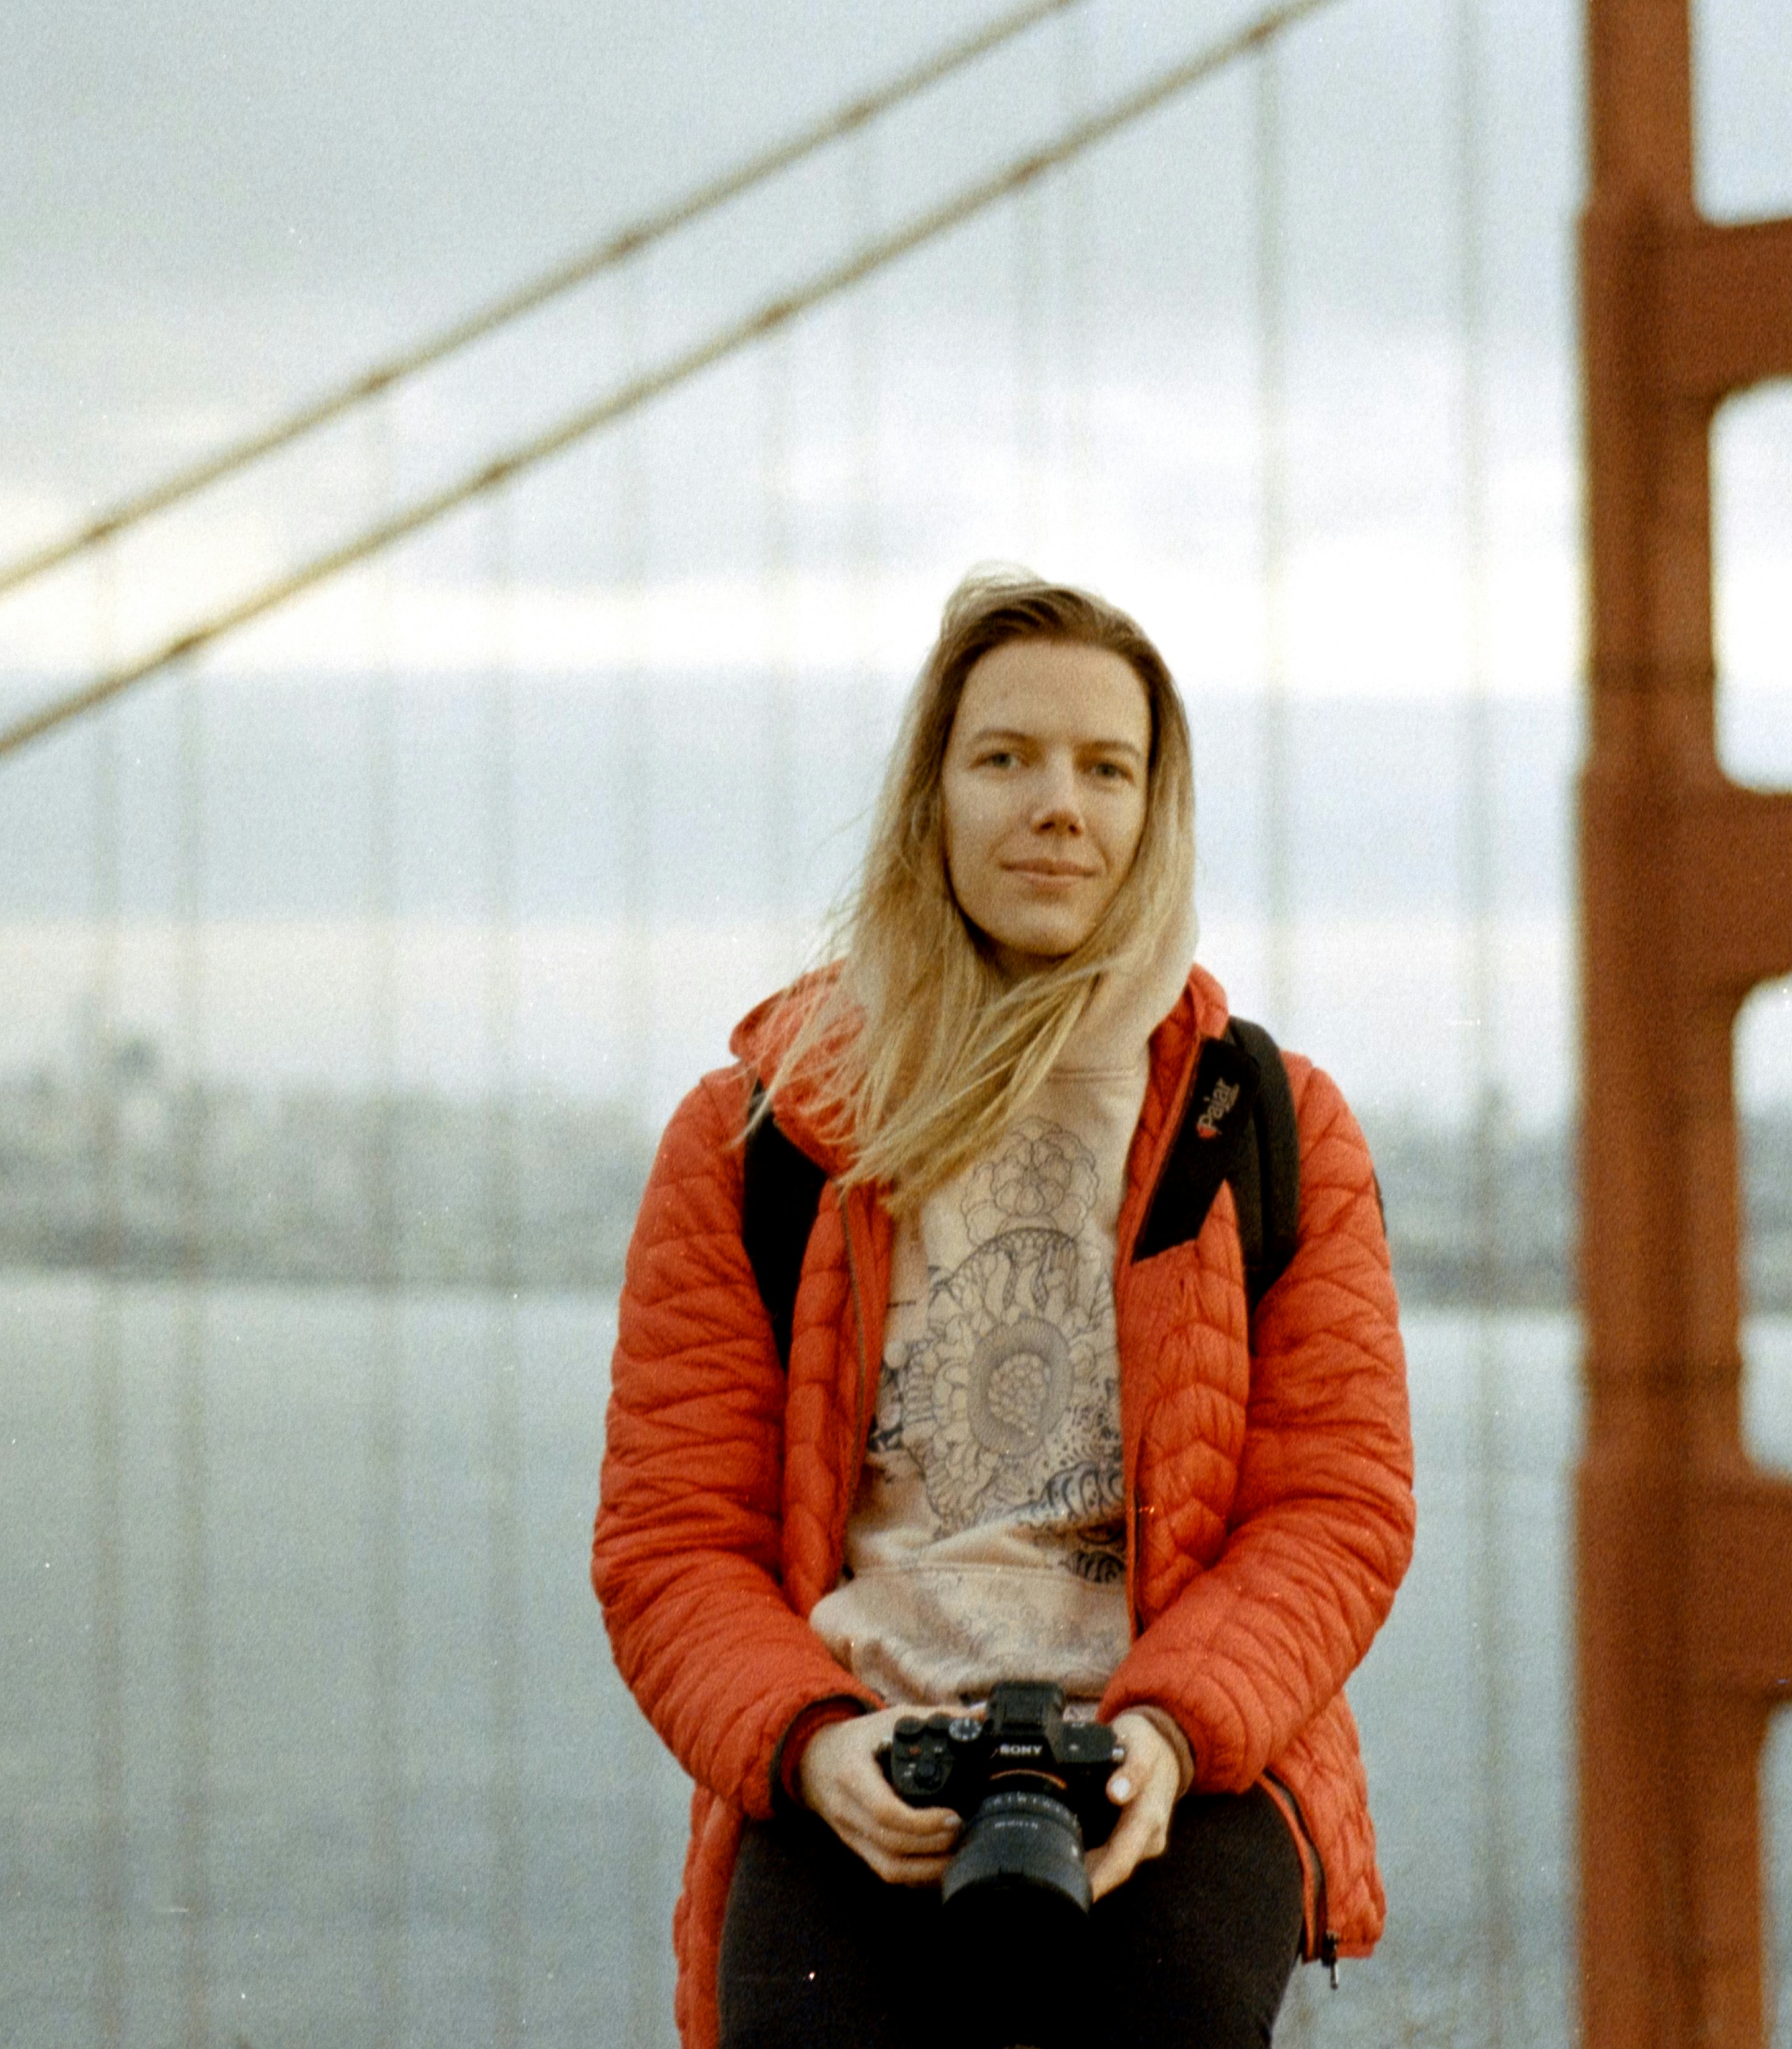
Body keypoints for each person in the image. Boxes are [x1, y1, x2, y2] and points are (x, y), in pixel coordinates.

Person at [592, 569, 1415, 2049]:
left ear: (1156, 810)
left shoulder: (1264, 1124)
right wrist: (810, 1743)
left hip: (1176, 1752)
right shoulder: (761, 1135)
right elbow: (670, 1542)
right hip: (858, 1743)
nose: (1058, 807)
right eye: (1005, 758)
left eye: (1108, 768)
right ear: (931, 795)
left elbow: (1337, 1507)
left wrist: (1173, 1732)